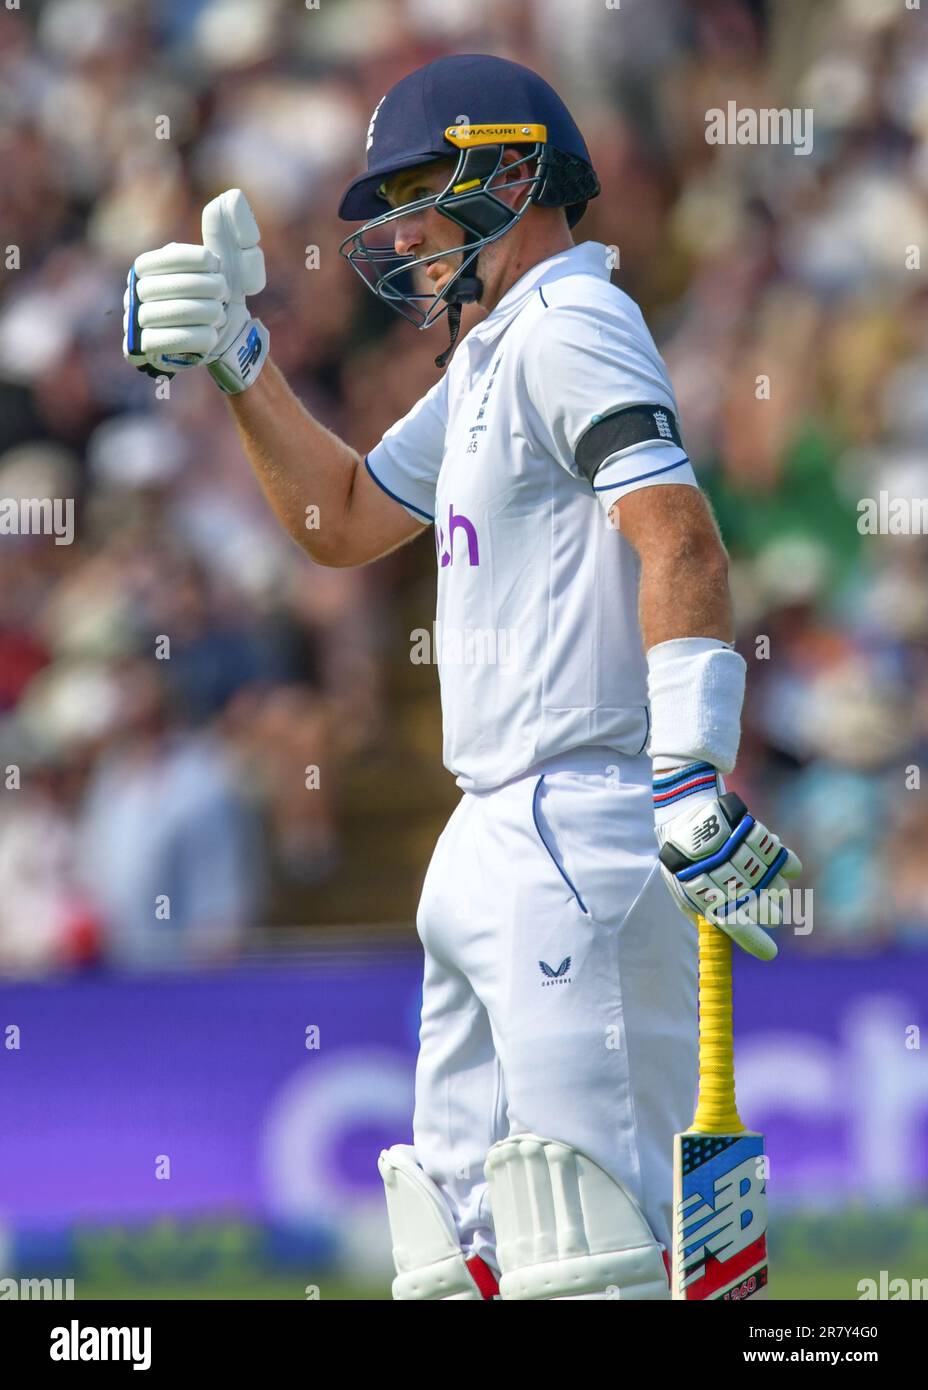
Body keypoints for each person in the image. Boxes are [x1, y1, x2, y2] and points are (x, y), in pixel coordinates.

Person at [123, 53, 801, 1301]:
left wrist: (689, 773)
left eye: (418, 192)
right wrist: (236, 354)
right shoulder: (492, 357)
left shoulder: (574, 322)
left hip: (583, 821)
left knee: (598, 1252)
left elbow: (681, 540)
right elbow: (337, 519)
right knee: (460, 1258)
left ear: (511, 174)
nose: (400, 231)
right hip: (488, 828)